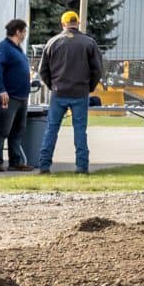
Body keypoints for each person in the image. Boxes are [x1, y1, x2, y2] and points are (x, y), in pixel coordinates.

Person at [37, 10, 103, 175]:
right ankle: (81, 166)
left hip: (59, 92)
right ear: (78, 23)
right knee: (80, 130)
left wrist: (53, 85)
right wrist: (89, 87)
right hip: (80, 92)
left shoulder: (53, 42)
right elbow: (98, 70)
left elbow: (42, 70)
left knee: (51, 129)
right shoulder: (88, 43)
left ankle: (44, 166)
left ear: (63, 24)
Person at [0, 19, 32, 173]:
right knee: (3, 130)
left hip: (22, 97)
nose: (25, 34)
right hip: (9, 97)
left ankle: (15, 161)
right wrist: (1, 89)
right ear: (18, 32)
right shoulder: (3, 48)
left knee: (18, 130)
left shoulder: (18, 49)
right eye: (24, 31)